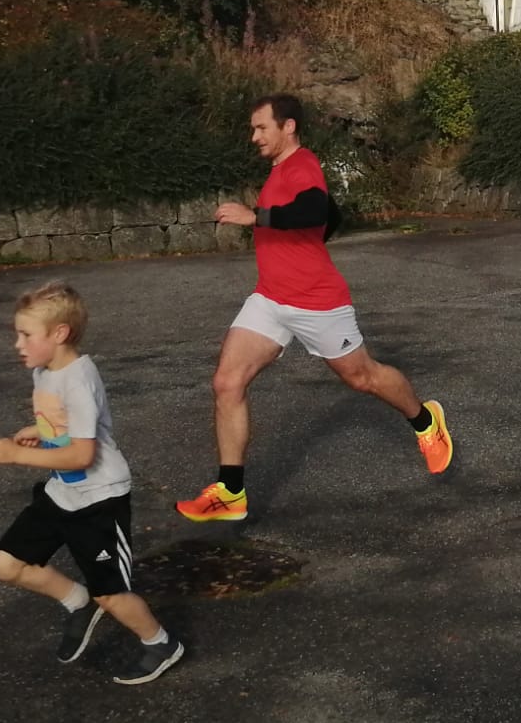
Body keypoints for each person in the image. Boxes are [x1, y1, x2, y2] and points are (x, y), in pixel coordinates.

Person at [176, 94, 452, 524]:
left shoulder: (302, 163)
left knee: (363, 378)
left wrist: (257, 218)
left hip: (317, 301)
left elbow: (316, 209)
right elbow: (333, 215)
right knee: (227, 382)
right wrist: (301, 246)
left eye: (261, 127)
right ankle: (230, 491)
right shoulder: (282, 170)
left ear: (287, 127)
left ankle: (424, 420)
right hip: (270, 297)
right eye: (253, 129)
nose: (254, 137)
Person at [0, 280, 184, 685]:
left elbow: (82, 454)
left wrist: (18, 454)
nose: (17, 344)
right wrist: (39, 430)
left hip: (99, 501)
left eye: (26, 335)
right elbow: (65, 426)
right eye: (17, 334)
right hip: (63, 492)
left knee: (110, 594)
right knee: (5, 564)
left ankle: (160, 643)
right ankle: (78, 604)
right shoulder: (45, 369)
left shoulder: (78, 381)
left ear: (59, 334)